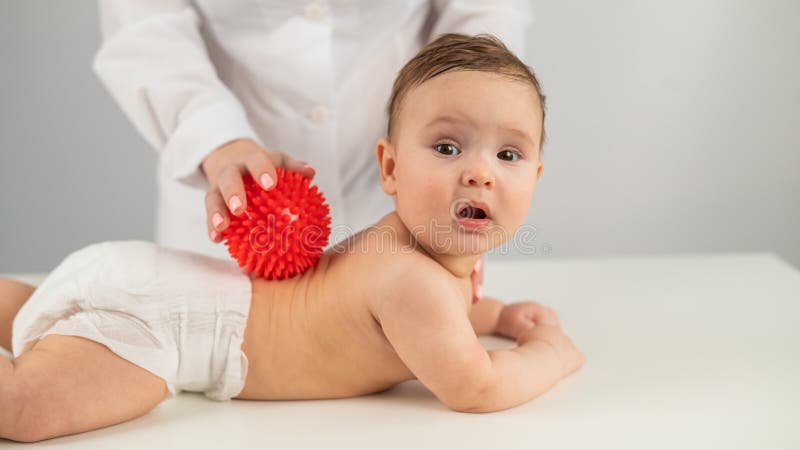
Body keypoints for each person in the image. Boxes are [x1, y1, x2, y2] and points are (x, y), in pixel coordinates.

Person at [0, 34, 584, 443]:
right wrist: (547, 357)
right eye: (448, 147)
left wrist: (498, 314)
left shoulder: (403, 255)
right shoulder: (412, 281)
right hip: (167, 330)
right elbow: (474, 386)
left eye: (508, 154)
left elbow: (439, 319)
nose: (479, 171)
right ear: (390, 170)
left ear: (534, 179)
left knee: (34, 311)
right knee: (23, 406)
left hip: (155, 280)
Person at [93, 1, 533, 303]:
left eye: (509, 156)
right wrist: (217, 138)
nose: (483, 174)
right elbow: (144, 26)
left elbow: (486, 10)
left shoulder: (416, 285)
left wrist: (456, 131)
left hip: (400, 202)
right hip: (233, 203)